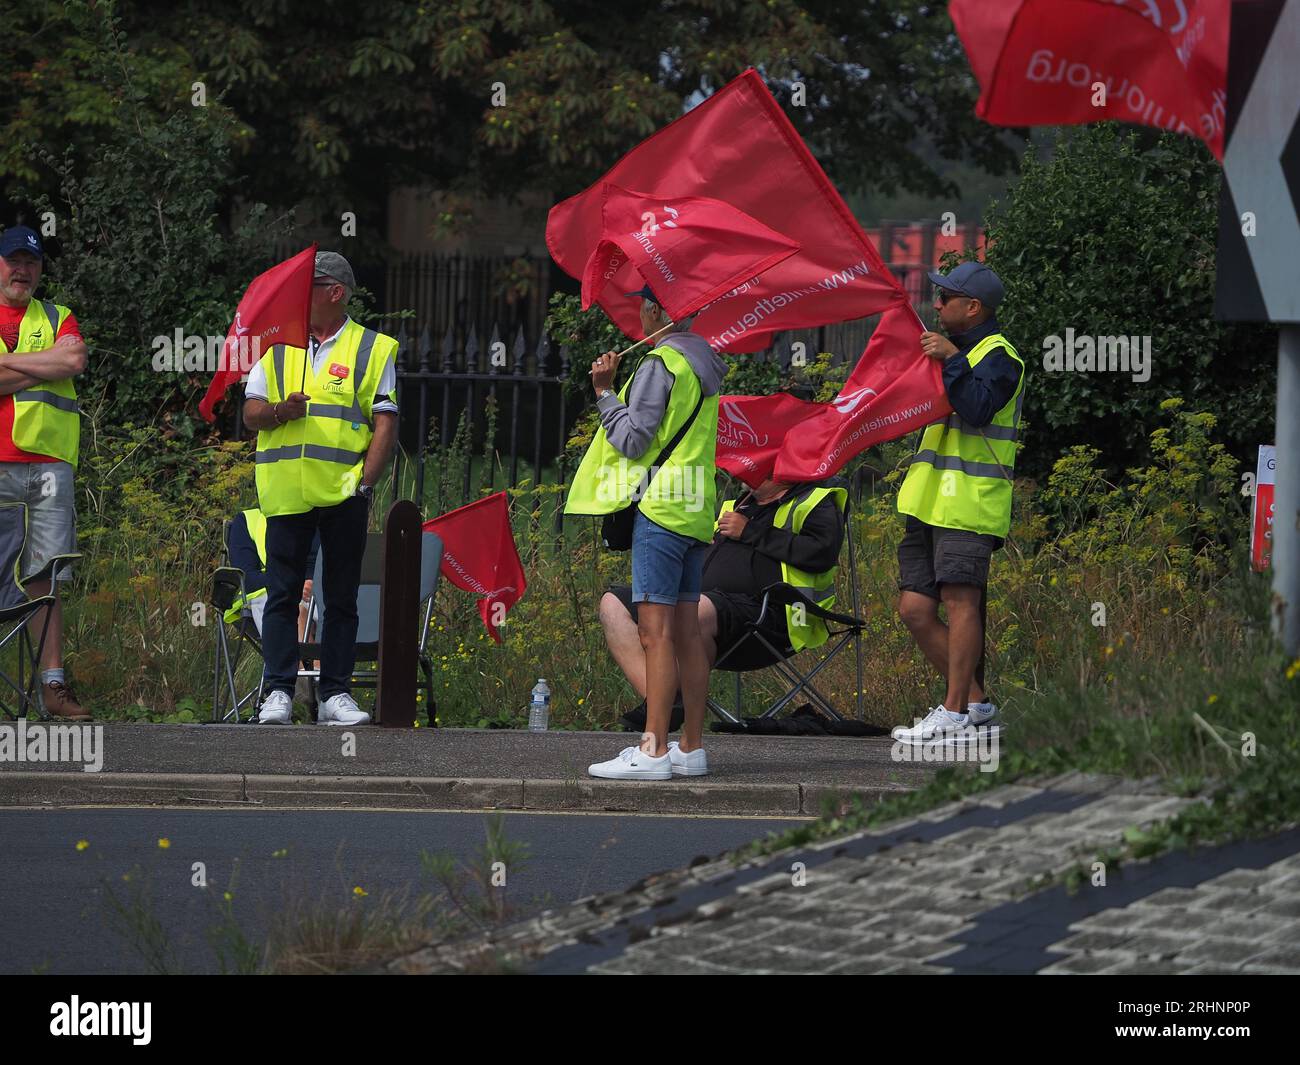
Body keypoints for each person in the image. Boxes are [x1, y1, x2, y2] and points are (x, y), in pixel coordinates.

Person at [565, 284, 727, 780]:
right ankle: (690, 747)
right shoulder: (707, 365)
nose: (636, 310)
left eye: (642, 303)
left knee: (655, 635)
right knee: (686, 635)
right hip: (696, 507)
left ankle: (653, 750)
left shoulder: (661, 364)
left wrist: (604, 392)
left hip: (659, 508)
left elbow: (634, 440)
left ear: (657, 309)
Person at [242, 251, 399, 726]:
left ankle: (335, 695)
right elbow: (250, 414)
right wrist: (278, 412)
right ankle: (278, 692)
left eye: (309, 286)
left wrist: (364, 485)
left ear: (336, 292)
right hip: (285, 492)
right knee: (282, 591)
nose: (297, 296)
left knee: (341, 597)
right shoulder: (276, 345)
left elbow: (384, 422)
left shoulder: (373, 348)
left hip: (342, 493)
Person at [892, 261, 1024, 746]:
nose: (936, 304)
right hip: (928, 503)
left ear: (973, 307)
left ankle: (955, 714)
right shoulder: (953, 350)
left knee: (961, 601)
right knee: (913, 608)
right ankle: (975, 705)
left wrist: (952, 360)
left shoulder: (999, 354)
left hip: (969, 505)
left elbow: (978, 407)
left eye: (945, 298)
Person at [601, 477, 847, 736]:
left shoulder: (814, 499)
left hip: (771, 616)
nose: (744, 472)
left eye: (753, 465)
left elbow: (822, 554)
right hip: (705, 604)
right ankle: (668, 700)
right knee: (613, 604)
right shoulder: (736, 504)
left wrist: (751, 531)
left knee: (693, 610)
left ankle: (661, 720)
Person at [0, 226, 89, 720]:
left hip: (51, 466)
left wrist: (8, 363)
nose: (23, 270)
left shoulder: (58, 316)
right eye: (13, 260)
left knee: (47, 576)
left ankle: (52, 686)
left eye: (31, 263)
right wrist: (43, 363)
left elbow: (73, 358)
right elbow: (59, 362)